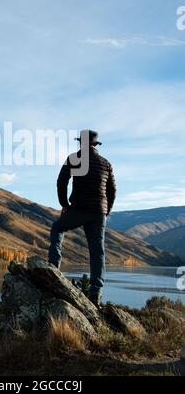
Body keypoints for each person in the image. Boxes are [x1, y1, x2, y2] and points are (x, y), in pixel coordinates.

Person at [48, 130, 116, 307]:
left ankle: (53, 271)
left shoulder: (74, 159)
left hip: (79, 209)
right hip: (98, 213)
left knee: (57, 229)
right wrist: (106, 211)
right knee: (97, 252)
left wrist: (64, 204)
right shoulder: (106, 163)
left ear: (81, 143)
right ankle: (96, 295)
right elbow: (112, 191)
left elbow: (61, 182)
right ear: (95, 144)